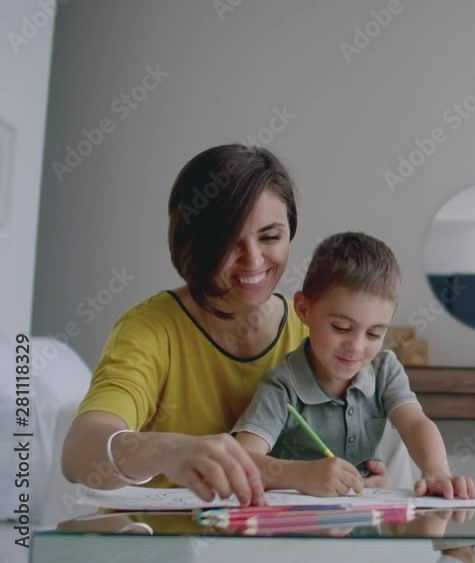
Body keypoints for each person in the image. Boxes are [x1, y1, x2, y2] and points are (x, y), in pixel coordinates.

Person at [60, 144, 396, 507]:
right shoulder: (151, 330)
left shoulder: (322, 332)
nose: (253, 260)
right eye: (228, 242)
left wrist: (364, 481)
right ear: (192, 243)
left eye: (270, 236)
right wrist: (167, 450)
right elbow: (80, 454)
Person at [232, 232, 475, 500]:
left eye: (374, 334)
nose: (357, 346)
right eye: (341, 328)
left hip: (366, 529)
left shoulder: (384, 369)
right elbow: (241, 460)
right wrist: (302, 476)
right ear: (304, 309)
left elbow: (415, 424)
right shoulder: (283, 386)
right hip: (297, 532)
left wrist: (436, 472)